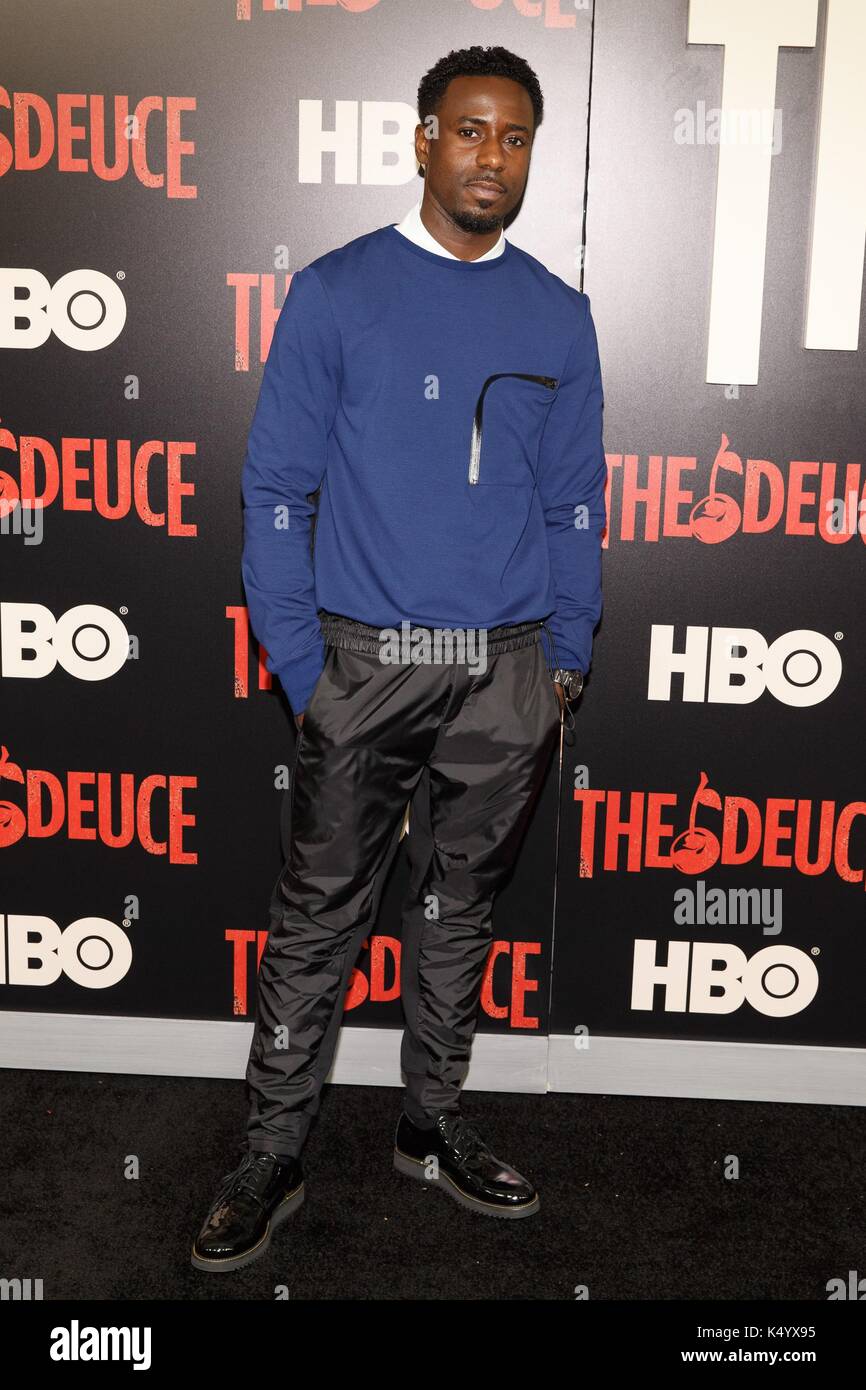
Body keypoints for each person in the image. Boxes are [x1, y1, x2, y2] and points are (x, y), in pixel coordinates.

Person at [191, 43, 606, 1273]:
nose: (494, 157)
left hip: (510, 672)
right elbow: (275, 491)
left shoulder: (557, 311)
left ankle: (429, 1124)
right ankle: (272, 1150)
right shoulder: (334, 292)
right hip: (363, 669)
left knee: (457, 911)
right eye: (470, 132)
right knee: (317, 918)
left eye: (516, 137)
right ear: (422, 140)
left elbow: (574, 503)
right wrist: (300, 667)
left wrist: (564, 660)